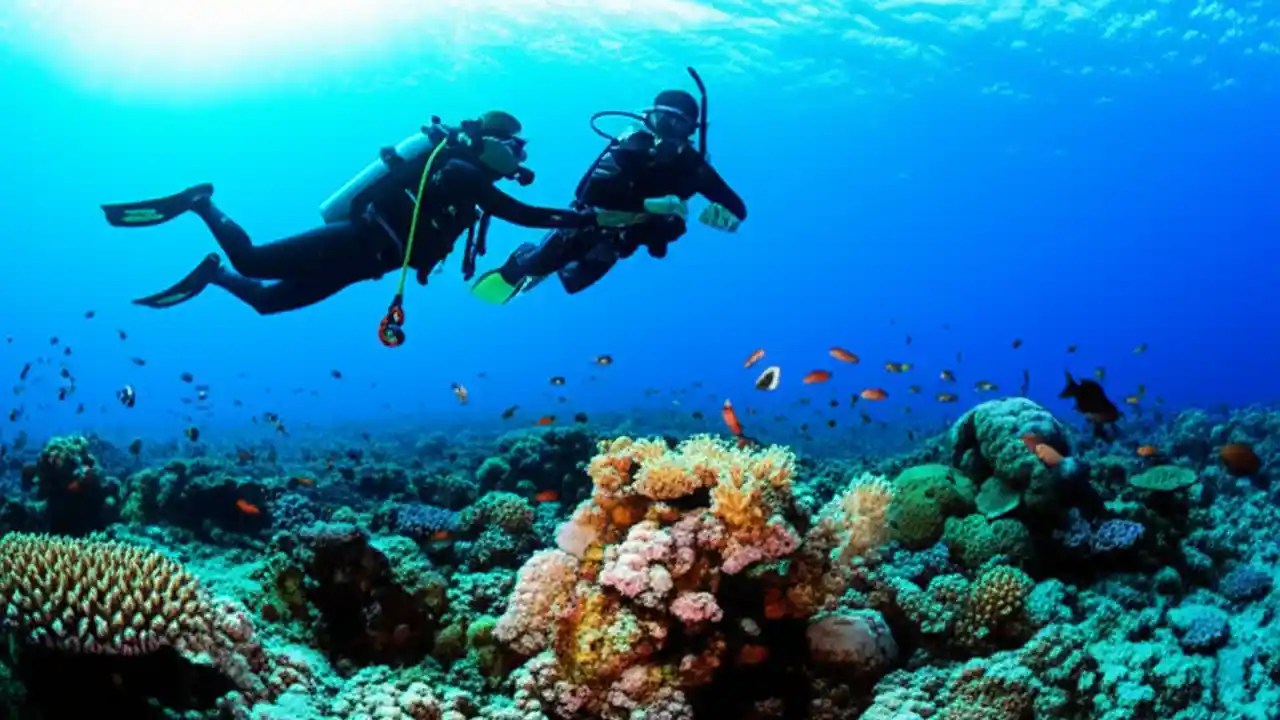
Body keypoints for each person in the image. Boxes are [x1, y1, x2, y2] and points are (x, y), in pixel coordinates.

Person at [101, 111, 645, 317]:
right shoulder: (460, 170)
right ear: (493, 141)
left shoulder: (469, 177)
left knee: (267, 303)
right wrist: (588, 220)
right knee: (254, 258)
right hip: (357, 239)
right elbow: (520, 215)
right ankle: (201, 201)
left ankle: (213, 274)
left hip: (367, 262)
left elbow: (510, 211)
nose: (519, 158)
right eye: (517, 148)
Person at [469, 79, 747, 304]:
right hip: (588, 223)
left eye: (677, 124)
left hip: (625, 239)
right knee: (538, 264)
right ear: (649, 119)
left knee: (574, 283)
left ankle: (546, 269)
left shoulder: (694, 167)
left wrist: (721, 217)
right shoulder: (631, 147)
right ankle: (518, 265)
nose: (667, 130)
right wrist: (650, 204)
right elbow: (588, 193)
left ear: (691, 130)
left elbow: (737, 208)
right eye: (662, 119)